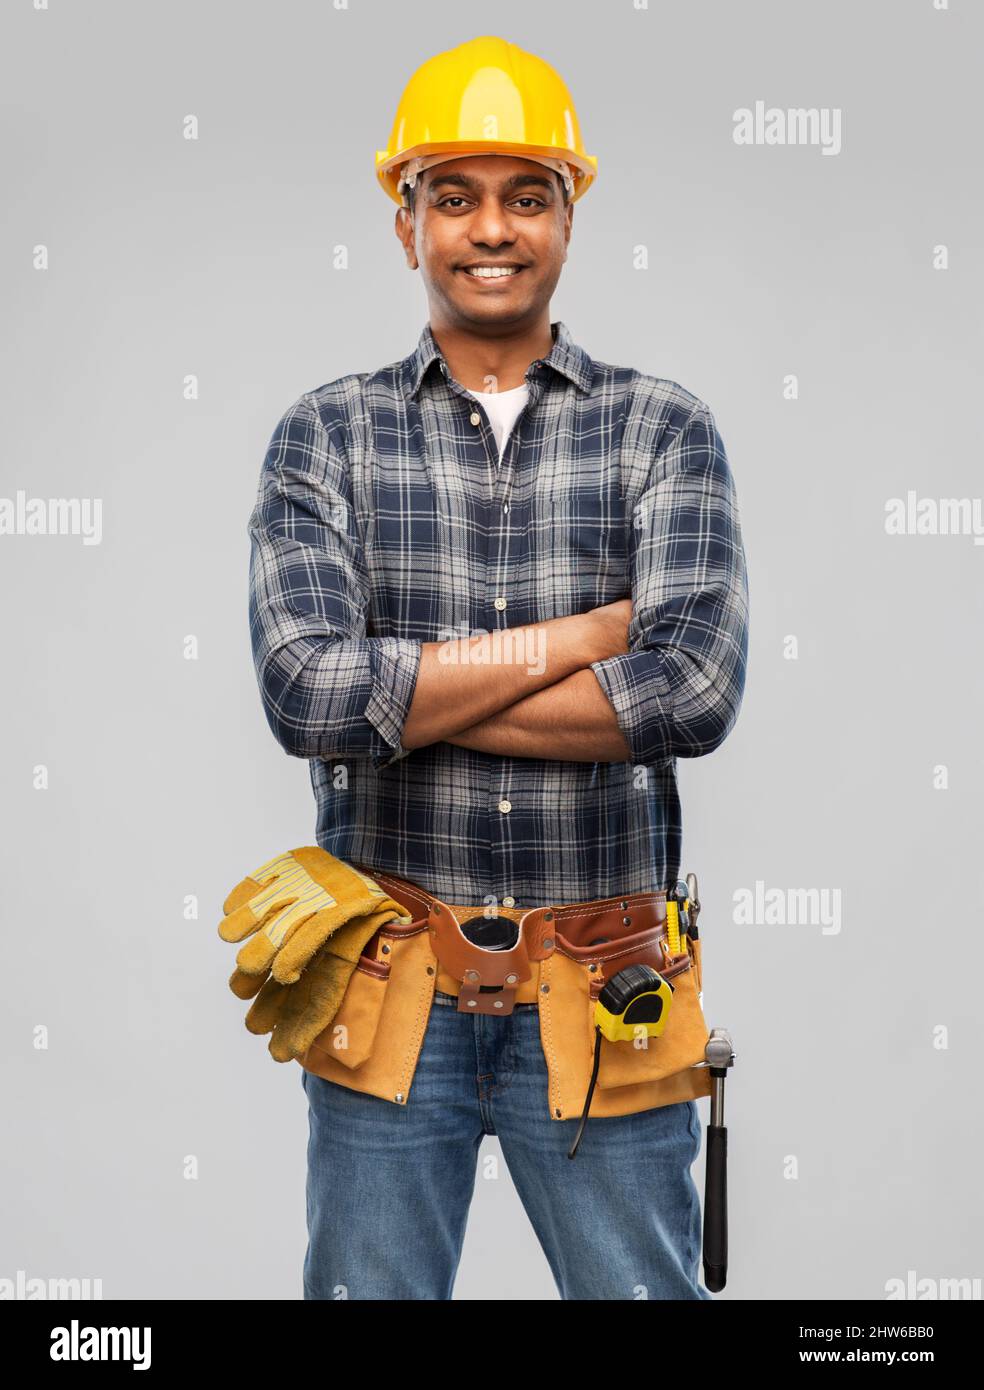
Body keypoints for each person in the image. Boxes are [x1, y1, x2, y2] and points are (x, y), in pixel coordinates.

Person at [247, 36, 749, 1300]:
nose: (491, 229)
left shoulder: (662, 428)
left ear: (570, 217)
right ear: (403, 218)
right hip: (387, 992)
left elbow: (691, 694)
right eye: (454, 195)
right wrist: (586, 639)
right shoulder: (327, 434)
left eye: (526, 195)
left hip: (606, 989)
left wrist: (406, 699)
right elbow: (307, 693)